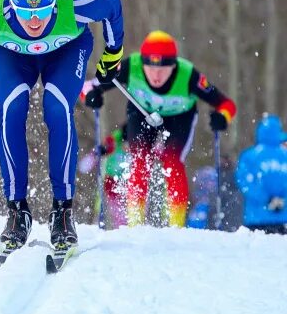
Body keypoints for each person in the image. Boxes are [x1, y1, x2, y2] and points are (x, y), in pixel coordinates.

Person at [0, 0, 125, 252]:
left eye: (43, 11)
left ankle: (63, 212)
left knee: (57, 107)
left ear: (53, 2)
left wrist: (112, 54)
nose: (34, 21)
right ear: (12, 4)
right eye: (25, 12)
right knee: (12, 106)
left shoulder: (73, 0)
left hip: (66, 50)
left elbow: (112, 6)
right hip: (11, 53)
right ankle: (18, 211)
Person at [84, 30, 236, 227]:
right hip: (141, 112)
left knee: (172, 162)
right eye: (150, 68)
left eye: (163, 69)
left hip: (179, 117)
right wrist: (91, 96)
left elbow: (227, 104)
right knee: (139, 159)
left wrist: (222, 117)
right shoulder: (131, 66)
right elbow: (87, 86)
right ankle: (135, 224)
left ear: (174, 65)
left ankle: (176, 224)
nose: (156, 75)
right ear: (142, 62)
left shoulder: (188, 74)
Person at [235, 114, 287, 234]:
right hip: (282, 217)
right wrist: (281, 201)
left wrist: (266, 200)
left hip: (256, 217)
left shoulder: (250, 156)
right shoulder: (284, 156)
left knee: (258, 250)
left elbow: (245, 182)